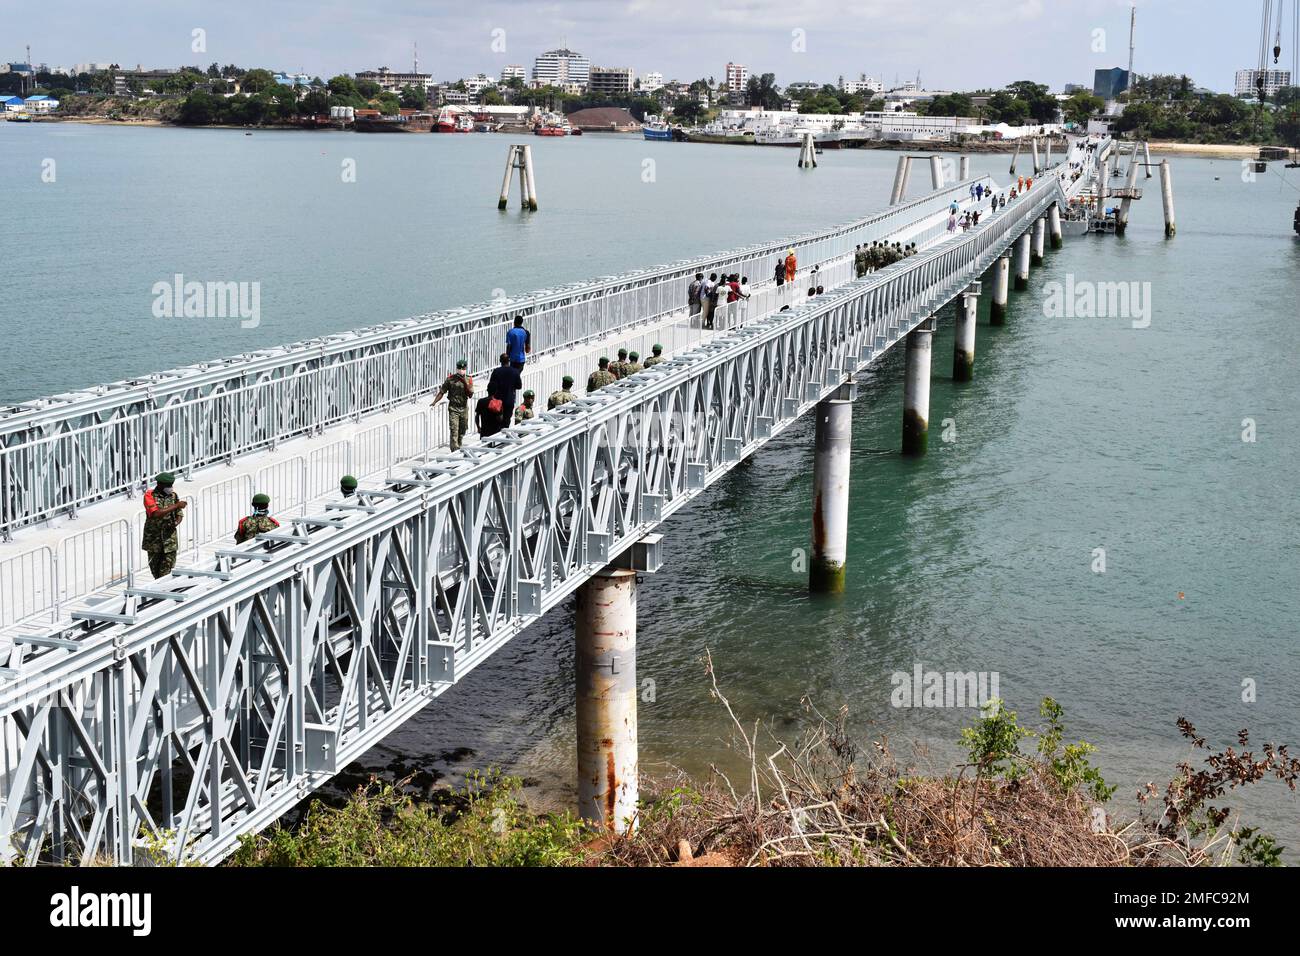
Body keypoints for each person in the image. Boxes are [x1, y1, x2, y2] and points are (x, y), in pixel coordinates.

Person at [142, 472, 187, 579]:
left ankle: (165, 592)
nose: (170, 488)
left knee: (166, 572)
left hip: (169, 541)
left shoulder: (173, 495)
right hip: (154, 541)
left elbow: (179, 514)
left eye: (171, 485)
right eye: (168, 485)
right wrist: (176, 505)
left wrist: (176, 522)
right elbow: (155, 513)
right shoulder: (149, 495)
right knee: (155, 571)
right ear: (159, 484)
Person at [430, 358, 475, 452]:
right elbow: (442, 392)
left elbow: (470, 395)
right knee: (454, 430)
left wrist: (464, 383)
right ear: (457, 368)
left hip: (464, 408)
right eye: (459, 368)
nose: (461, 370)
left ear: (465, 368)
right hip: (453, 408)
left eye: (463, 368)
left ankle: (459, 446)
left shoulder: (469, 379)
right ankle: (454, 451)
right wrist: (434, 402)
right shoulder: (450, 379)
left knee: (462, 431)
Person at [487, 352, 522, 431]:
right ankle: (504, 440)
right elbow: (519, 386)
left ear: (500, 361)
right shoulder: (515, 372)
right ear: (509, 361)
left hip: (497, 402)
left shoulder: (496, 372)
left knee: (497, 422)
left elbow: (491, 386)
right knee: (506, 422)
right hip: (509, 401)